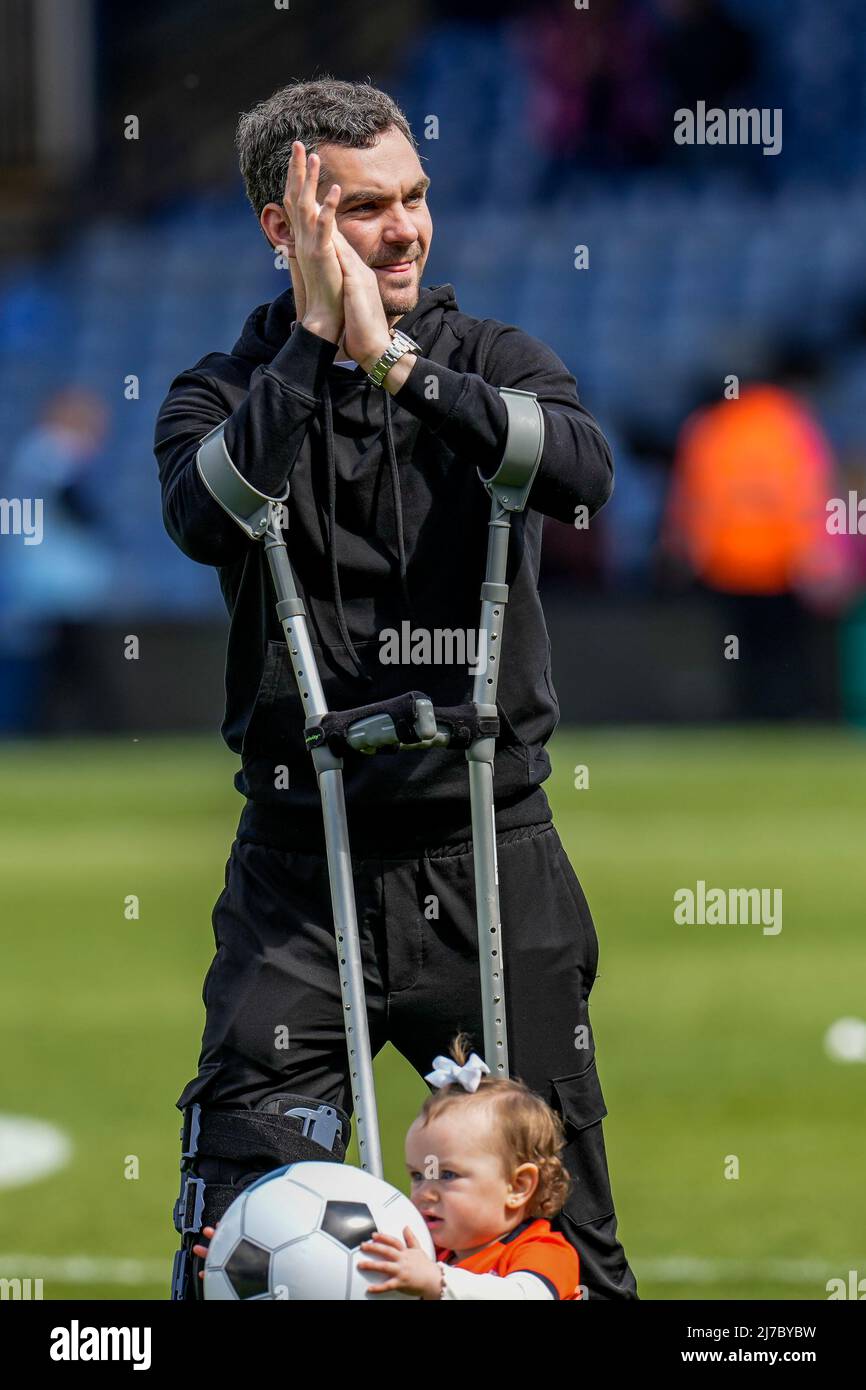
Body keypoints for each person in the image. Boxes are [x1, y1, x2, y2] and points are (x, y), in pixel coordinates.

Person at [154, 77, 637, 1301]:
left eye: (416, 197)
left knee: (560, 1246)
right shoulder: (221, 391)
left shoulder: (491, 360)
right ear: (288, 225)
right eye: (366, 209)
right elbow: (206, 515)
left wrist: (397, 366)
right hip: (298, 874)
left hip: (487, 857)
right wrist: (319, 348)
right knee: (233, 1231)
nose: (408, 230)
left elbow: (582, 477)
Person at [193, 1034, 583, 1299]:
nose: (425, 1192)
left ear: (518, 1186)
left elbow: (522, 1296)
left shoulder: (543, 1252)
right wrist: (245, 1258)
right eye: (417, 1175)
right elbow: (330, 1270)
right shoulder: (427, 1251)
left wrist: (435, 1282)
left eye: (447, 1175)